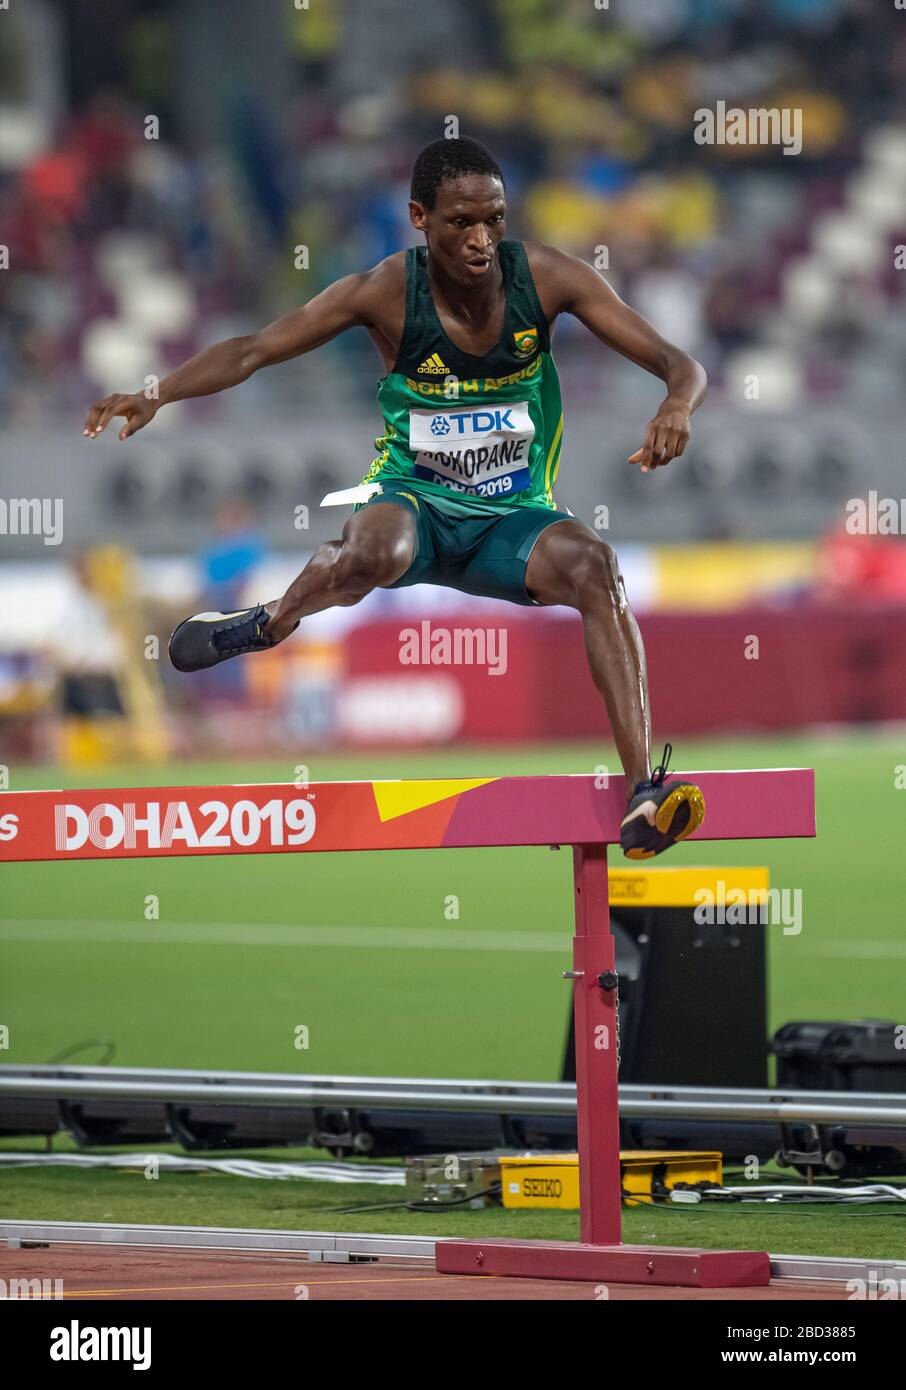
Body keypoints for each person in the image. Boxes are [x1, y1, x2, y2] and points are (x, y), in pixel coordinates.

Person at [82, 137, 707, 859]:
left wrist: (677, 405)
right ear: (419, 217)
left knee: (598, 568)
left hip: (514, 517)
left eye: (494, 220)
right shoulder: (384, 289)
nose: (481, 241)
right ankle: (271, 622)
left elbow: (677, 361)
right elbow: (255, 348)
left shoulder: (547, 278)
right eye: (460, 223)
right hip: (412, 499)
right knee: (379, 551)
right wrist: (157, 393)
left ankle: (642, 797)